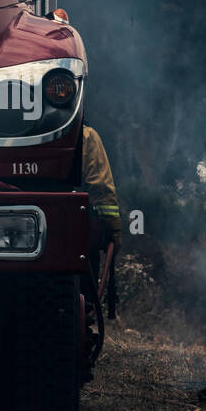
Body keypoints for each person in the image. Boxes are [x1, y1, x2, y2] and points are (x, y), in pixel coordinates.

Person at [82, 123, 122, 319]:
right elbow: (100, 186)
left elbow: (99, 188)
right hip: (75, 228)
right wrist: (111, 225)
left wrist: (110, 223)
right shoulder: (85, 135)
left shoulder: (85, 136)